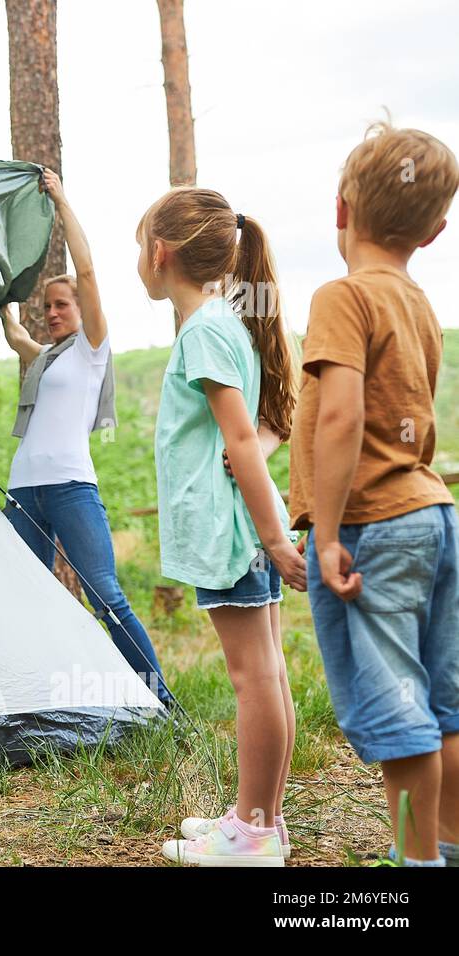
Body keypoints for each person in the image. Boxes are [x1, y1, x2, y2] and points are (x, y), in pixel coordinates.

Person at [290, 123, 459, 867]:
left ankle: (413, 866)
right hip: (434, 515)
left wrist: (326, 535)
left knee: (400, 714)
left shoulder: (343, 296)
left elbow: (343, 413)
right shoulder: (418, 302)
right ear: (435, 231)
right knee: (446, 705)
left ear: (340, 211)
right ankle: (447, 846)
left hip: (374, 526)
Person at [138, 187, 307, 867]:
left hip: (229, 534)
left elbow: (241, 439)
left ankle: (255, 834)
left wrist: (272, 539)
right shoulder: (222, 324)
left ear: (159, 253)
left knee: (254, 678)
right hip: (237, 531)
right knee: (267, 673)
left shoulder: (206, 328)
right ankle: (260, 821)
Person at [0, 169, 173, 706]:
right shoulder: (45, 360)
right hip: (23, 491)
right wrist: (1, 292)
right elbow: (14, 334)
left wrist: (61, 201)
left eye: (62, 305)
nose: (51, 313)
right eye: (47, 306)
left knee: (106, 597)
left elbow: (89, 269)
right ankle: (37, 701)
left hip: (72, 487)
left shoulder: (91, 349)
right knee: (22, 598)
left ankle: (159, 700)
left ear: (82, 310)